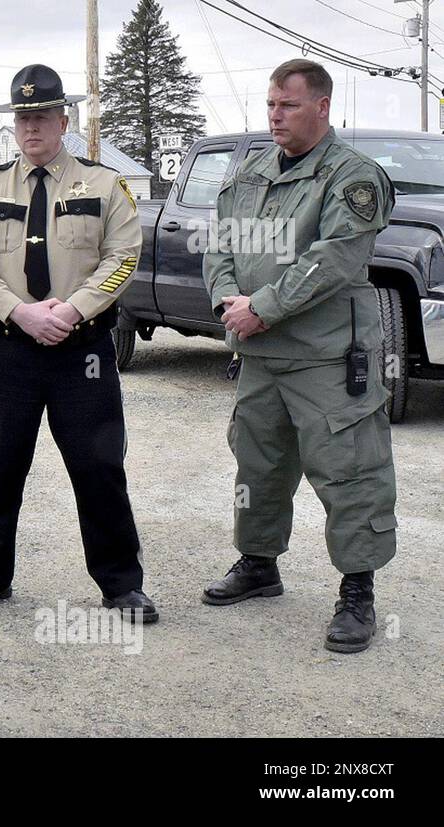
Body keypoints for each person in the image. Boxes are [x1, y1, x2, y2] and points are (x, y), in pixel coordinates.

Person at [0, 64, 158, 623]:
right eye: (22, 117)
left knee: (99, 468)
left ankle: (120, 584)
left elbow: (123, 258)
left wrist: (71, 310)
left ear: (63, 119)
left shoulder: (104, 186)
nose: (31, 127)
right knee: (1, 466)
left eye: (41, 115)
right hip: (9, 348)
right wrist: (19, 311)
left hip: (80, 349)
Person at [203, 59, 396, 653]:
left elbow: (335, 258)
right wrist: (226, 303)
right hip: (261, 353)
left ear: (321, 106)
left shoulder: (352, 178)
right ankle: (259, 563)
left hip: (328, 355)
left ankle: (357, 591)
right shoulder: (250, 175)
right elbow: (219, 247)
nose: (275, 115)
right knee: (257, 464)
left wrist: (263, 305)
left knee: (348, 469)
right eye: (269, 105)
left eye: (287, 105)